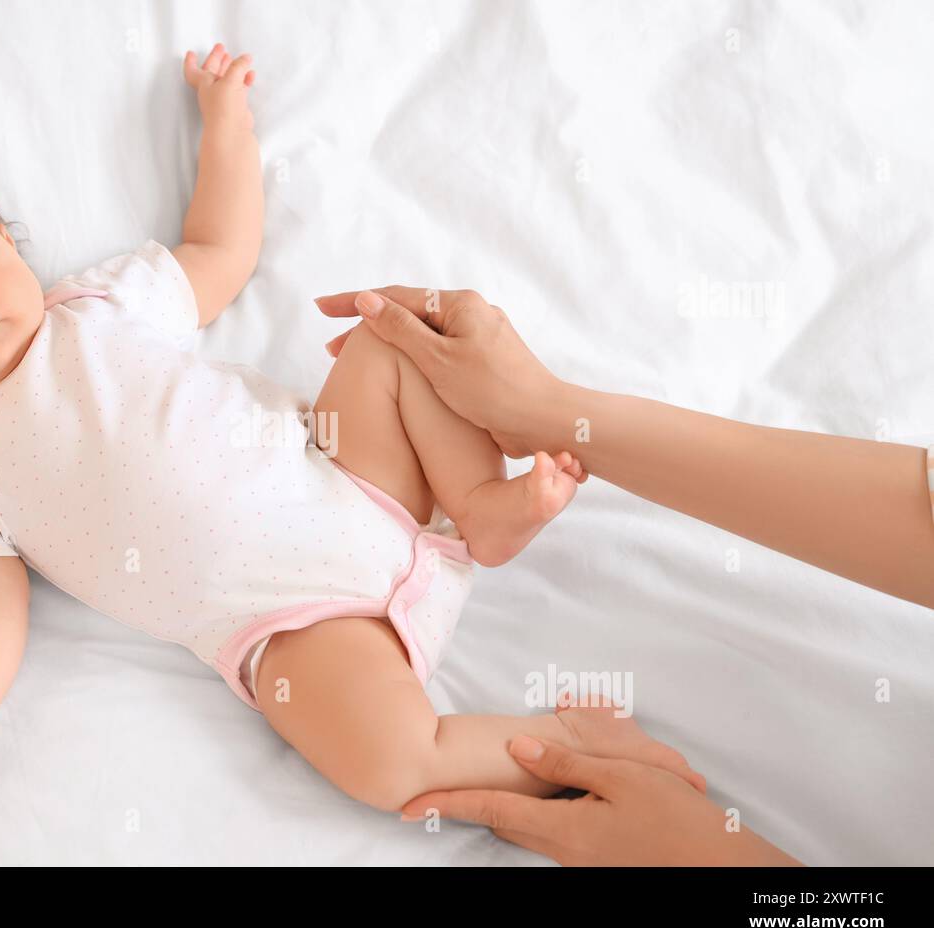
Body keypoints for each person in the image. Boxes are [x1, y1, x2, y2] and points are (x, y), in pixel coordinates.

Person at [318, 286, 934, 865]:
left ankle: (573, 734)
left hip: (296, 600)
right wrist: (545, 409)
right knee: (390, 342)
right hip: (302, 477)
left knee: (390, 761)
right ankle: (482, 505)